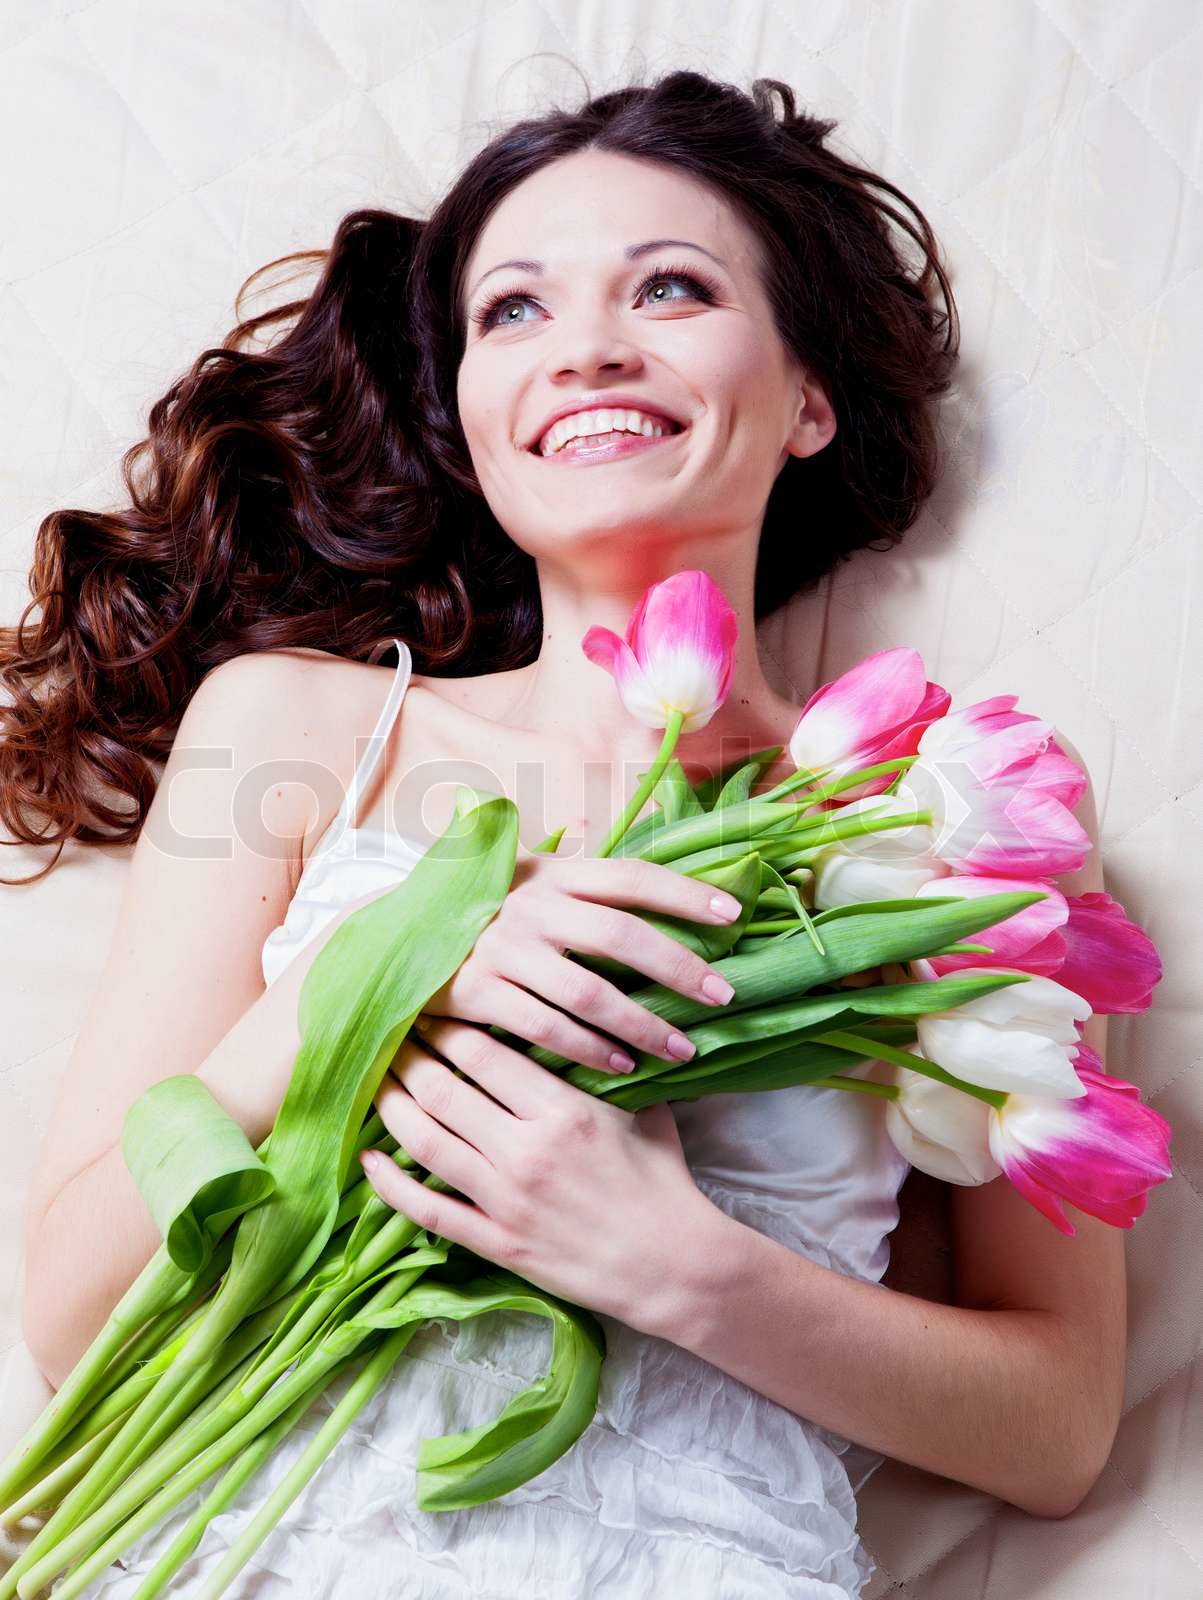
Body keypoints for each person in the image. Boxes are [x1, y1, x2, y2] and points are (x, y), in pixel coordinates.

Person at [3, 68, 1124, 1599]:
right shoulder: (302, 727)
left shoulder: (949, 816)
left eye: (670, 288)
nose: (587, 345)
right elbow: (72, 1313)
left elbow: (1060, 1433)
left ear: (809, 399)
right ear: (471, 426)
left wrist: (681, 1268)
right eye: (514, 310)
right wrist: (383, 984)